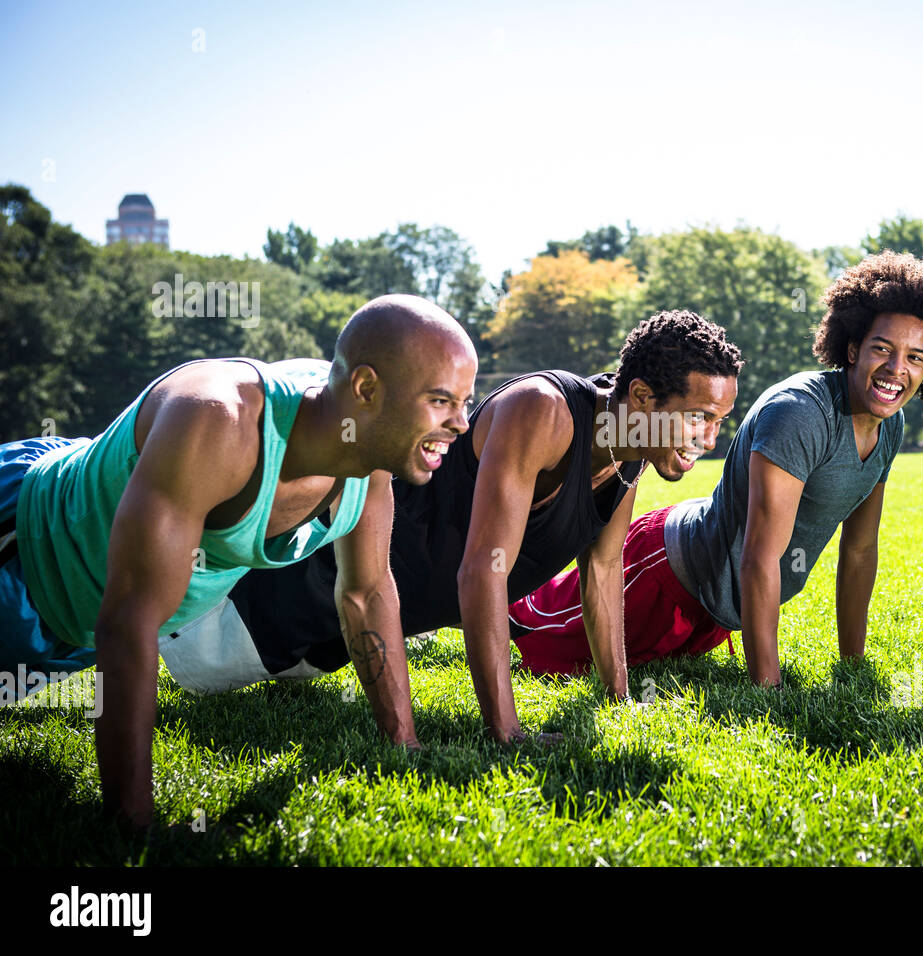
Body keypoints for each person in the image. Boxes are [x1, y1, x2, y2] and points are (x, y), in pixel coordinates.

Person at [0, 294, 477, 828]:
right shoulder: (217, 418)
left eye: (464, 402)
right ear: (366, 388)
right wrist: (132, 823)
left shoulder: (368, 453)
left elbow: (366, 592)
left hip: (71, 632)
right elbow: (129, 618)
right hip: (19, 548)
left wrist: (402, 743)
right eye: (441, 401)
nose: (461, 423)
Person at [171, 310, 744, 743]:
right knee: (113, 608)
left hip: (337, 645)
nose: (709, 438)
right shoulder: (544, 411)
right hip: (256, 607)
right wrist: (506, 730)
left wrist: (618, 699)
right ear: (640, 397)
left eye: (718, 421)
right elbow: (482, 573)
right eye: (699, 417)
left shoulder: (628, 447)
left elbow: (602, 571)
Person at [509, 251, 923, 685]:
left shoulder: (891, 425)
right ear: (852, 348)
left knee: (661, 664)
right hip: (665, 571)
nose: (896, 368)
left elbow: (860, 550)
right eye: (882, 349)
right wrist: (768, 685)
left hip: (715, 611)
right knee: (532, 625)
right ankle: (450, 596)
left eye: (915, 358)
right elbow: (759, 556)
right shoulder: (799, 413)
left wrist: (853, 666)